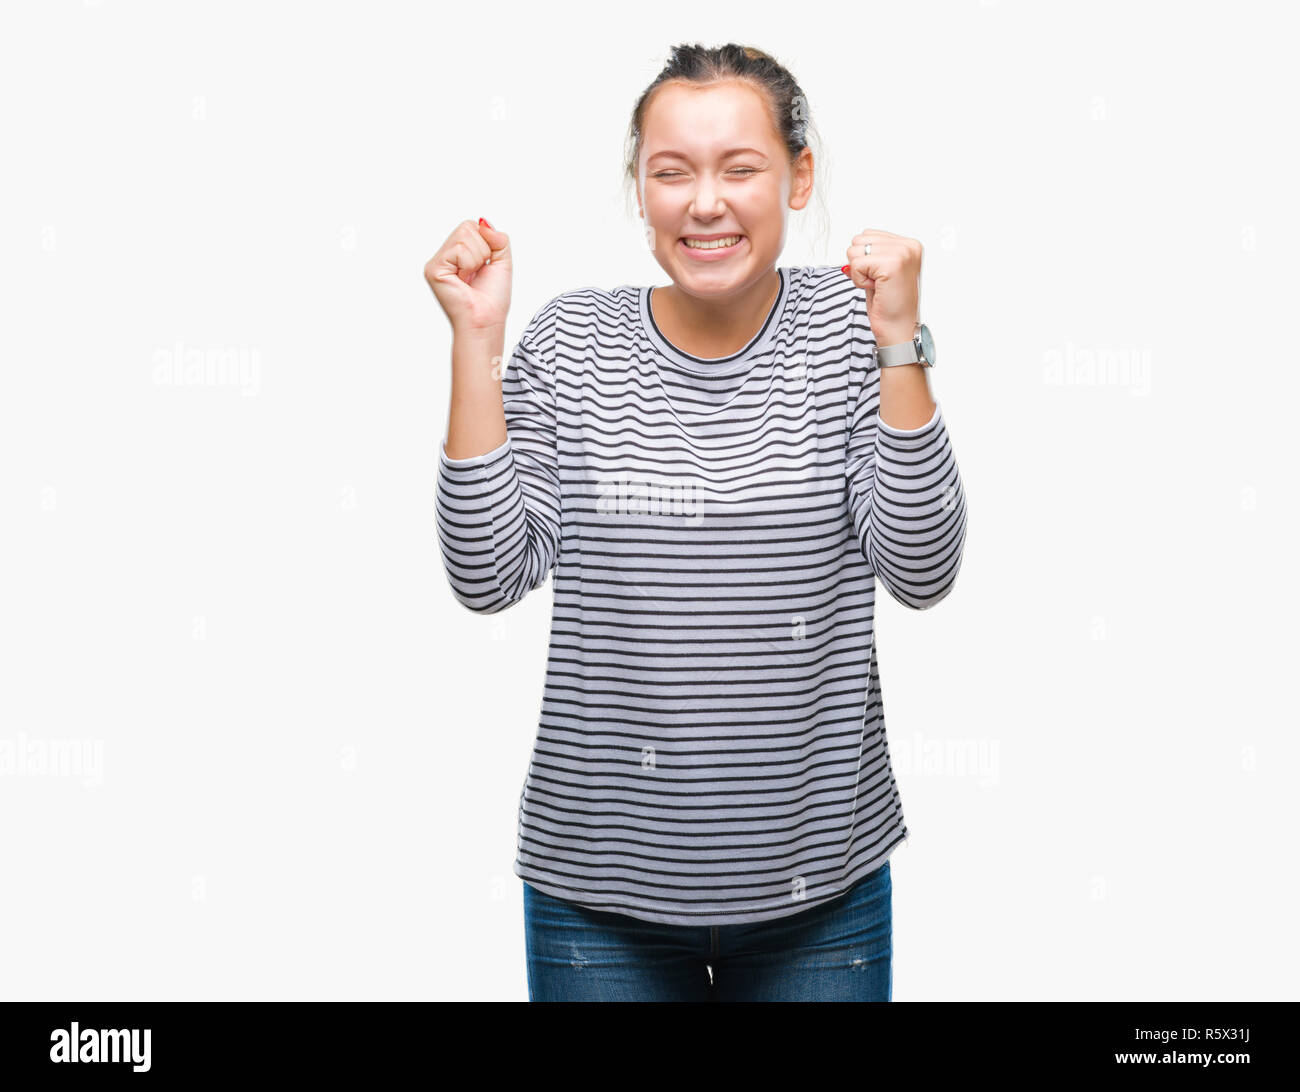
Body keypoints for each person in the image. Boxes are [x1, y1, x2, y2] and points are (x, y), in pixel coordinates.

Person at [426, 42, 967, 1001]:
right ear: (641, 190)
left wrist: (900, 342)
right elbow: (487, 575)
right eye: (670, 172)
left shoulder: (853, 331)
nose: (703, 201)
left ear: (799, 179)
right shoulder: (572, 338)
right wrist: (478, 342)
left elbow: (922, 569)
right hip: (595, 895)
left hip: (823, 892)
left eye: (739, 167)